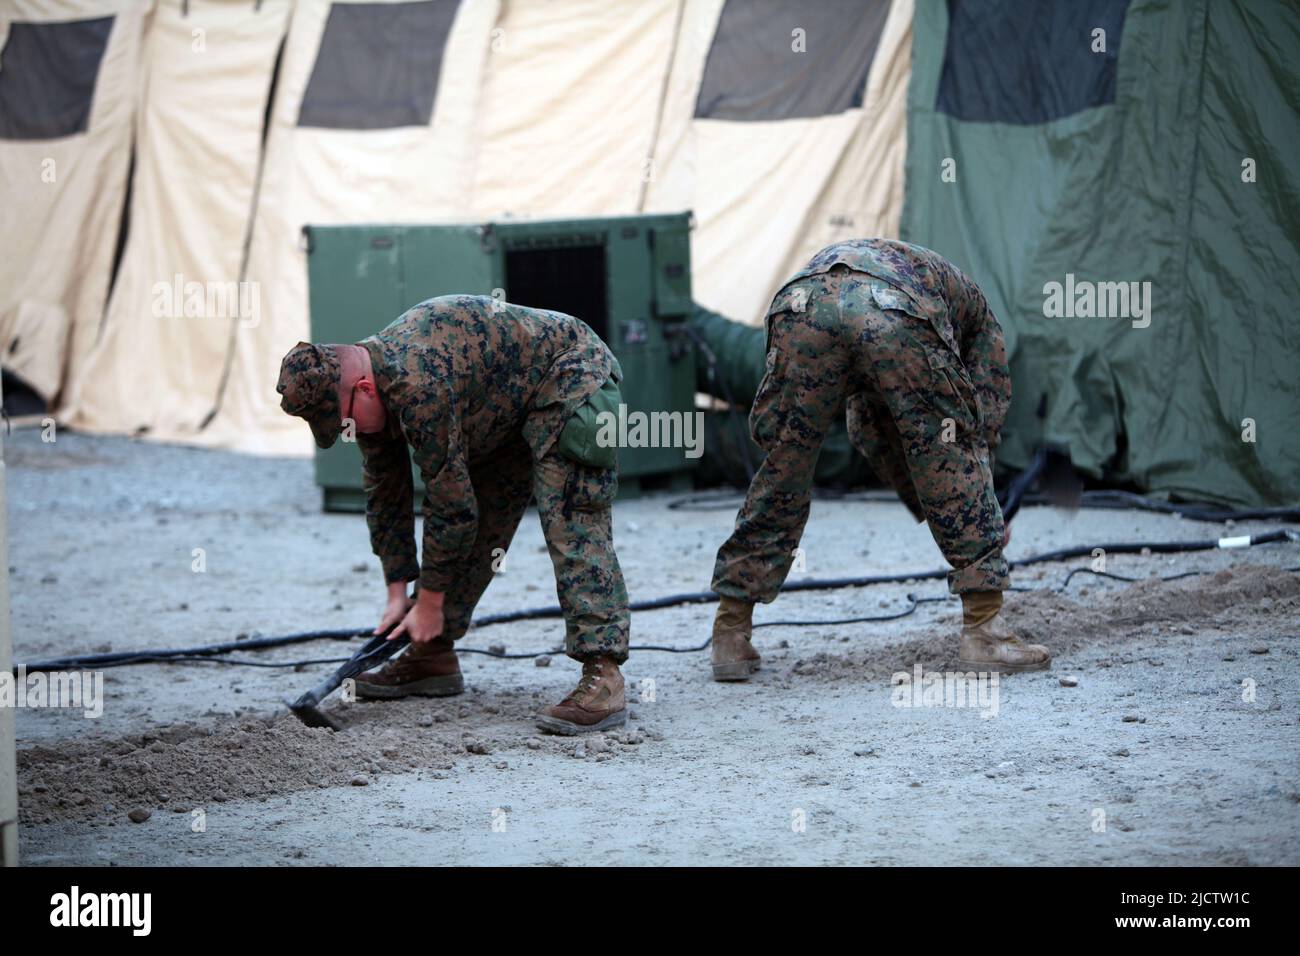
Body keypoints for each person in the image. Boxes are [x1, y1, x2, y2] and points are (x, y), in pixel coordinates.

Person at [276, 294, 630, 734]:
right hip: (501, 407)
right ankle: (433, 654)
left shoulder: (417, 382)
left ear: (362, 389)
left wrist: (428, 602)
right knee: (482, 517)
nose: (347, 431)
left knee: (571, 514)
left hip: (570, 374)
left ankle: (604, 674)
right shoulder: (367, 388)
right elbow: (385, 493)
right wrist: (396, 589)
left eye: (344, 420)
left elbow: (450, 507)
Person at [709, 239, 1049, 681]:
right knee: (950, 451)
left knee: (782, 470)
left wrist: (936, 508)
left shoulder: (922, 278)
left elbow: (870, 431)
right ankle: (984, 630)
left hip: (800, 305)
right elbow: (974, 430)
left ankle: (730, 634)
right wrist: (982, 513)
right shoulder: (979, 322)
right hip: (892, 310)